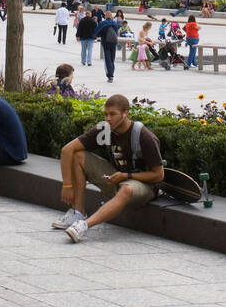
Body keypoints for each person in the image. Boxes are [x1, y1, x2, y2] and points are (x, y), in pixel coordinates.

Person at [56, 95, 164, 243]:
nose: (108, 118)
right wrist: (67, 185)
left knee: (126, 189)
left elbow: (158, 175)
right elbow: (67, 150)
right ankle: (78, 213)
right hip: (117, 178)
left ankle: (83, 226)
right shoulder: (105, 130)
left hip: (144, 186)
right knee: (78, 156)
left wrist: (126, 176)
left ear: (125, 113)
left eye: (112, 114)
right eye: (106, 114)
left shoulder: (144, 136)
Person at [95, 10, 121, 83]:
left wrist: (97, 36)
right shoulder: (115, 23)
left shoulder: (103, 23)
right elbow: (116, 32)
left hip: (106, 42)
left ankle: (110, 75)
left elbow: (96, 32)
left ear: (105, 16)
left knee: (107, 59)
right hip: (114, 42)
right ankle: (112, 71)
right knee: (112, 58)